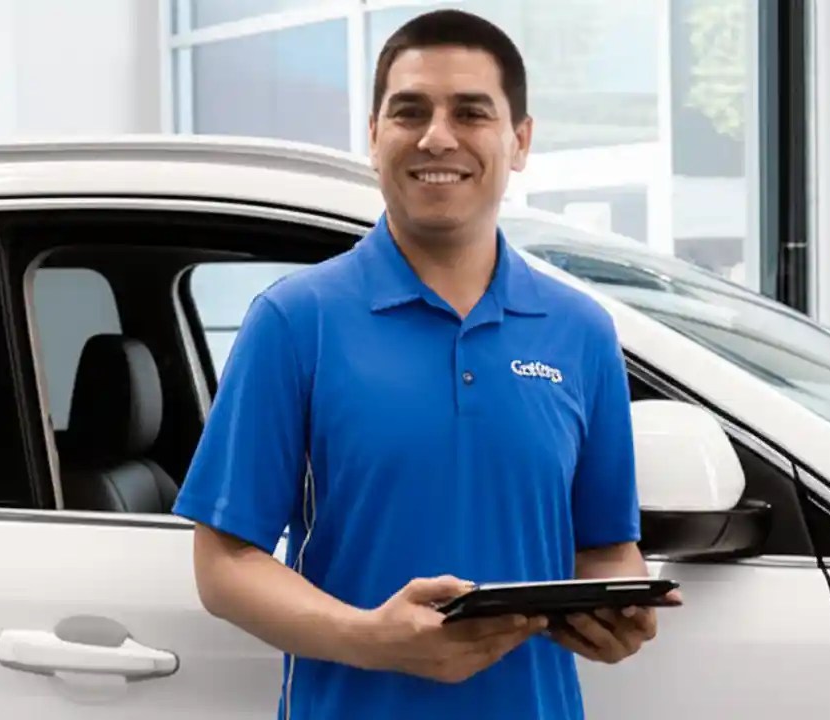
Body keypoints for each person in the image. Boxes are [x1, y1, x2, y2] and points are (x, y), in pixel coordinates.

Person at [171, 8, 680, 719]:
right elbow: (223, 567)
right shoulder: (295, 322)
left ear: (520, 140)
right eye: (410, 111)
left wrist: (617, 613)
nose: (437, 136)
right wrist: (373, 639)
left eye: (471, 112)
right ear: (375, 136)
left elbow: (607, 551)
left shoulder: (581, 333)